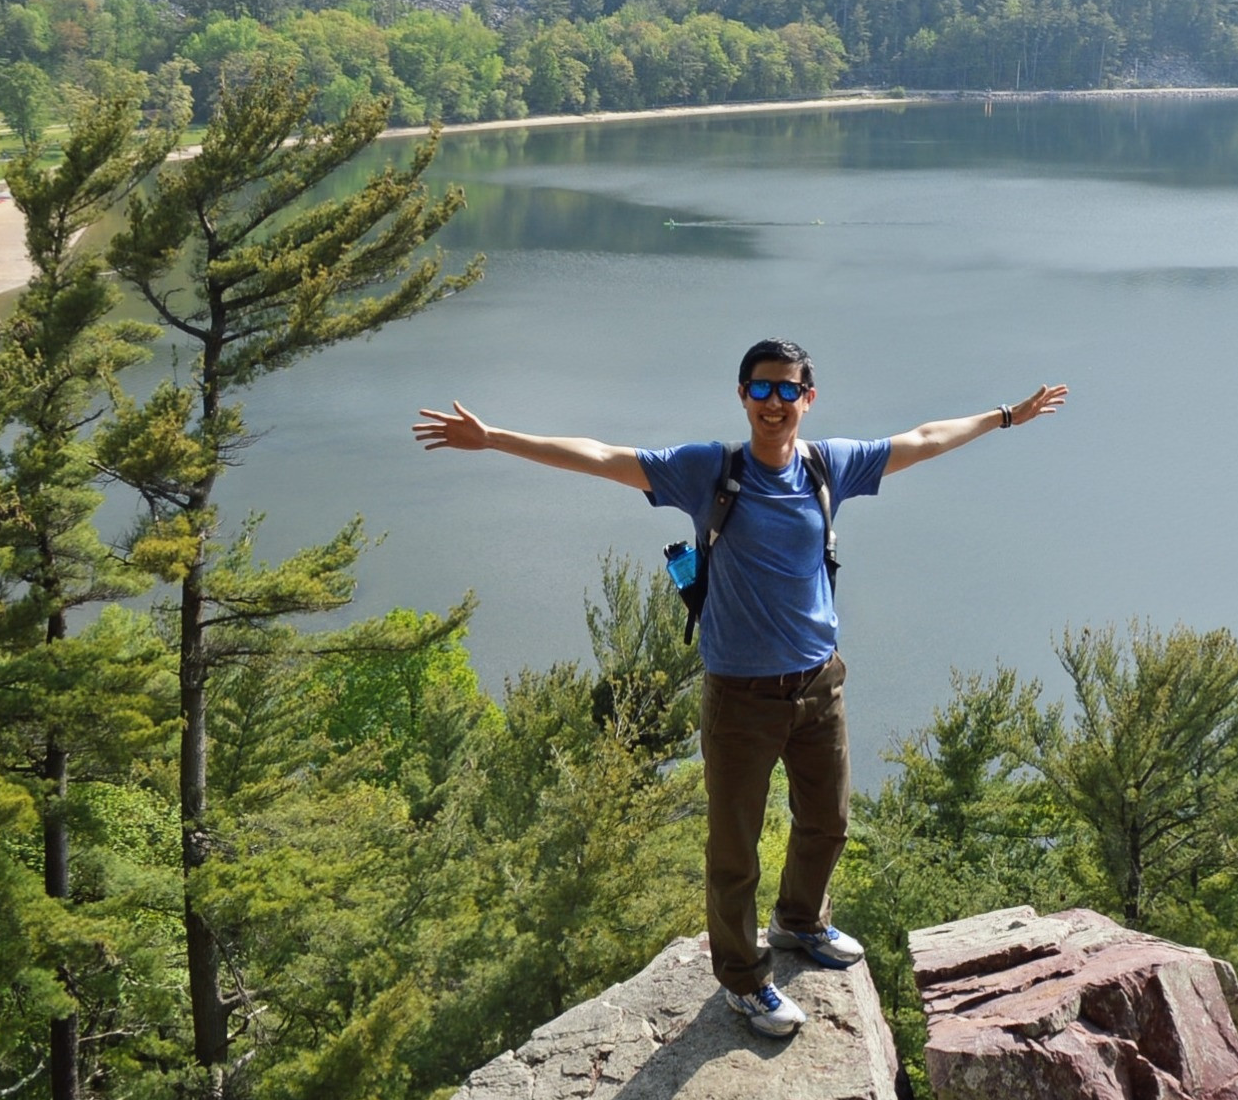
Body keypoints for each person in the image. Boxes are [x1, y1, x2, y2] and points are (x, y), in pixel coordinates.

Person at [412, 341, 1067, 1039]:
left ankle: (799, 920)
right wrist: (494, 438)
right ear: (741, 396)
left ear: (808, 398)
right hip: (740, 696)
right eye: (760, 389)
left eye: (786, 390)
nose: (773, 403)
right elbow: (601, 455)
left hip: (820, 683)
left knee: (828, 821)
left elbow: (924, 438)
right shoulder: (709, 471)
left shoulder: (829, 465)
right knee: (734, 852)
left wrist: (1004, 415)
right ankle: (743, 980)